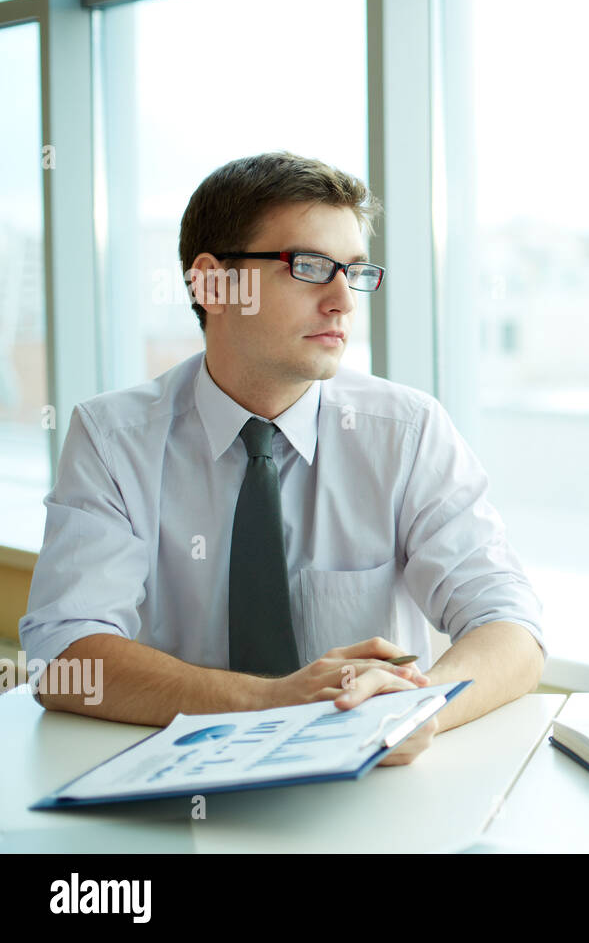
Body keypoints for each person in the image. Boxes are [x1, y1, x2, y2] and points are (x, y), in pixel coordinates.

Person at [18, 151, 545, 766]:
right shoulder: (113, 439)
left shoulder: (406, 432)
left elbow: (510, 627)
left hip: (371, 792)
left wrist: (415, 712)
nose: (343, 301)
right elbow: (63, 656)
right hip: (175, 781)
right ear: (213, 283)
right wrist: (269, 700)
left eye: (354, 271)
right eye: (311, 266)